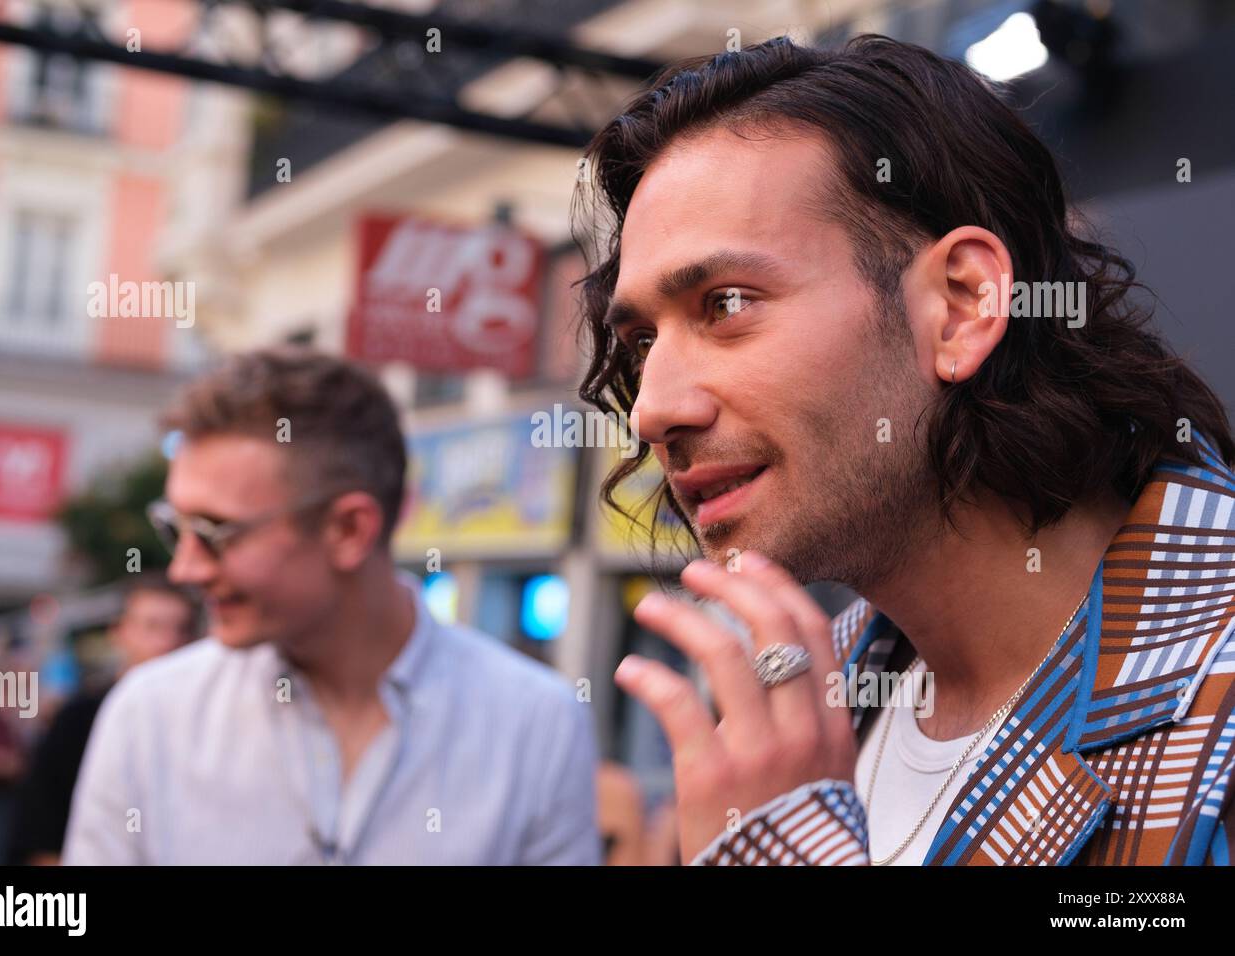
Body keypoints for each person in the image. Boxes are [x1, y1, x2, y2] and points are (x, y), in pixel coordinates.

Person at [576, 35, 1235, 865]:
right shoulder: (812, 698)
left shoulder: (1212, 703)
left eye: (727, 303)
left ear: (961, 304)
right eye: (640, 342)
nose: (653, 410)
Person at [62, 349, 599, 864]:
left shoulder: (536, 724)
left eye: (213, 532)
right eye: (174, 528)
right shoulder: (150, 715)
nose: (186, 569)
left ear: (349, 530)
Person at [5, 577, 198, 865]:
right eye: (152, 626)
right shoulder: (79, 719)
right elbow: (40, 836)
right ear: (119, 632)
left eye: (182, 629)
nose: (168, 642)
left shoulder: (206, 723)